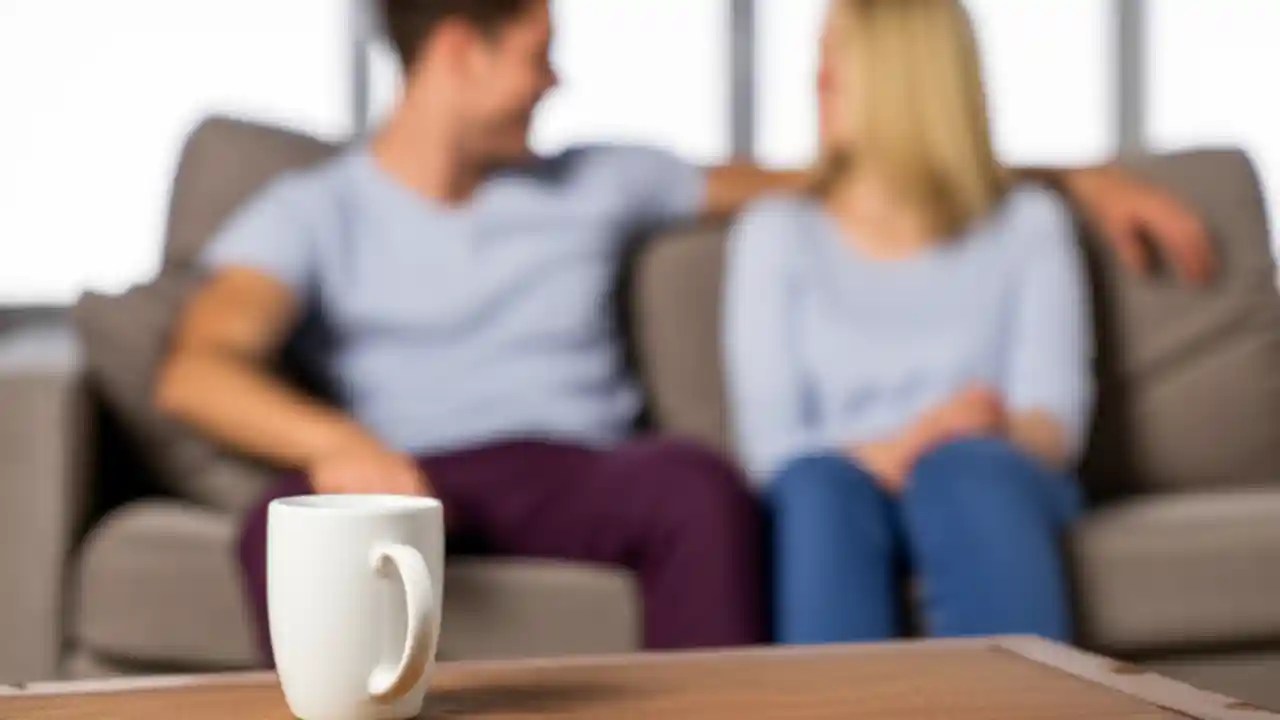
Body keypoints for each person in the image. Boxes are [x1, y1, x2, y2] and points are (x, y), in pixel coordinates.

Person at [156, 0, 1209, 659]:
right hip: (408, 469)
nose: (556, 83)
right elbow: (198, 368)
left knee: (697, 485)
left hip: (580, 471)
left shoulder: (601, 179)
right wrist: (334, 443)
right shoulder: (312, 212)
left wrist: (1071, 175)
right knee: (280, 525)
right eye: (538, 53)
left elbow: (873, 167)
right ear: (462, 53)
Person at [724, 0, 1099, 645]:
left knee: (966, 473)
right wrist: (918, 441)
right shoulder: (775, 233)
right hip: (837, 488)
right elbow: (773, 449)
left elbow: (1053, 424)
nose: (817, 84)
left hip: (985, 473)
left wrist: (966, 437)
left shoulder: (1028, 223)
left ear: (906, 82)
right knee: (819, 494)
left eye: (838, 65)